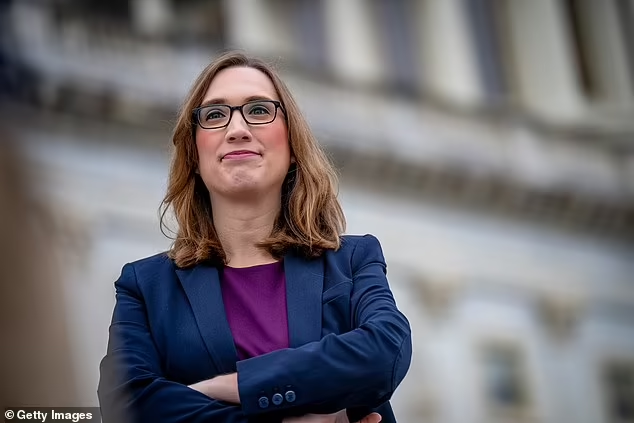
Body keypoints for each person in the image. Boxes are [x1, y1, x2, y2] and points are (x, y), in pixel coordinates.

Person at [97, 51, 412, 423]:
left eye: (259, 110)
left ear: (292, 146)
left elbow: (385, 351)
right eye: (215, 115)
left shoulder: (353, 260)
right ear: (194, 156)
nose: (237, 129)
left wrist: (239, 386)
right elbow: (127, 403)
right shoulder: (145, 287)